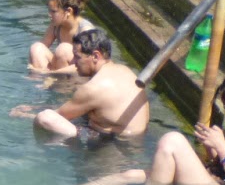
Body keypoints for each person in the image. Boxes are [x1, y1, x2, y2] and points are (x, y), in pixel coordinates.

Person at [34, 66, 225, 185]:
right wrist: (212, 147)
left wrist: (222, 147)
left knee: (173, 140)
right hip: (207, 177)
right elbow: (220, 162)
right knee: (127, 175)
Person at [10, 28, 149, 140]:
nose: (74, 63)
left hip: (114, 144)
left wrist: (25, 115)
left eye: (78, 57)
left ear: (95, 56)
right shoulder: (124, 70)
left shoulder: (93, 88)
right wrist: (36, 106)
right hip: (136, 137)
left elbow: (59, 115)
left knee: (44, 118)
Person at [28, 0, 96, 73]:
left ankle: (56, 83)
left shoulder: (85, 30)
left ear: (68, 11)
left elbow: (90, 66)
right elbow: (41, 48)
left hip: (80, 72)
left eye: (53, 11)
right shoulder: (56, 25)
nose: (49, 14)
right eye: (49, 10)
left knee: (63, 49)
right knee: (36, 48)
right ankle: (42, 83)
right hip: (61, 71)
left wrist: (52, 73)